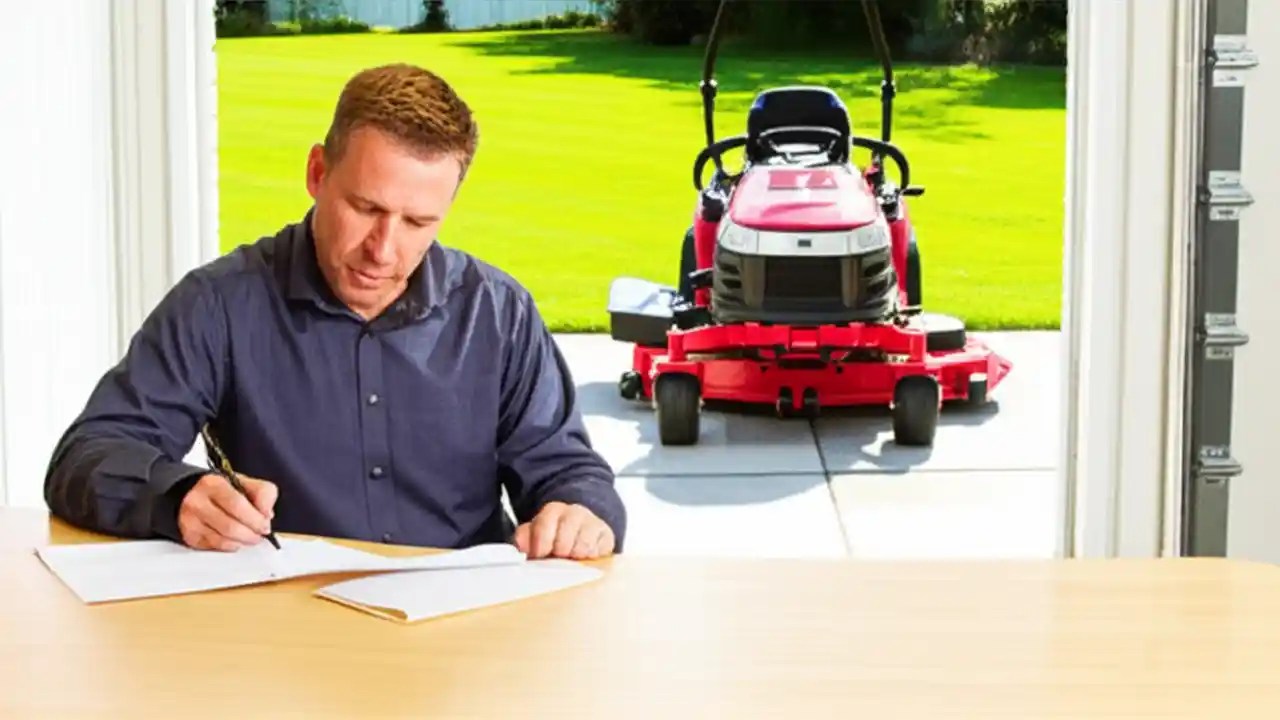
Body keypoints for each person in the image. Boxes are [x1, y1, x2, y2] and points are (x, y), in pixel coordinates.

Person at [43, 63, 625, 560]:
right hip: (286, 632)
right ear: (318, 173)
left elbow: (568, 471)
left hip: (461, 634)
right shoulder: (220, 305)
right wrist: (178, 496)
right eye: (365, 207)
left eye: (419, 222)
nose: (384, 249)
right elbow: (87, 457)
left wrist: (577, 513)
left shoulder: (498, 314)